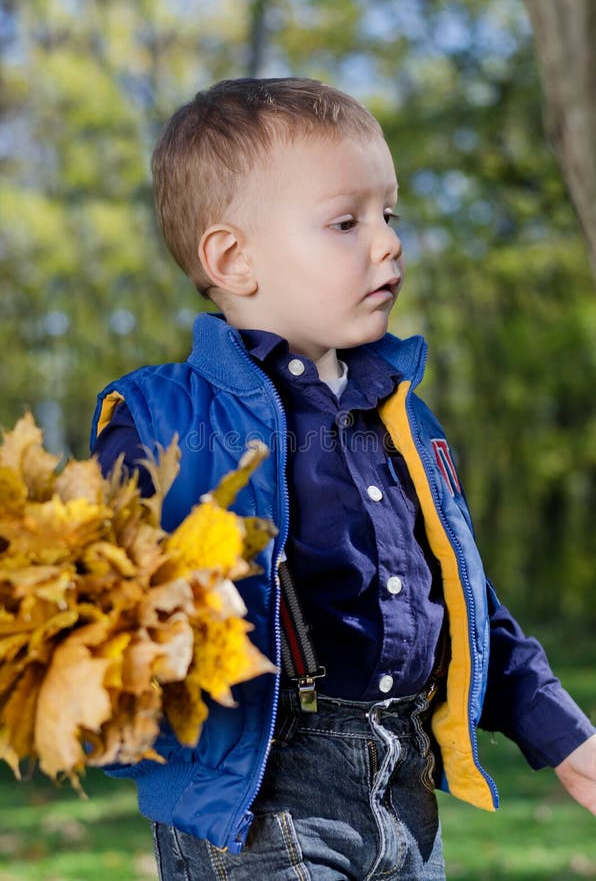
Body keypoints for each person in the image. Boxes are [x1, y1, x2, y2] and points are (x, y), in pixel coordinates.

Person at [90, 78, 596, 879]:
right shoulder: (162, 420)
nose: (388, 243)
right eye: (346, 222)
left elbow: (465, 604)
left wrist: (565, 737)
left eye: (389, 216)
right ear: (233, 259)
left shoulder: (402, 416)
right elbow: (99, 593)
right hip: (259, 799)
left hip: (404, 792)